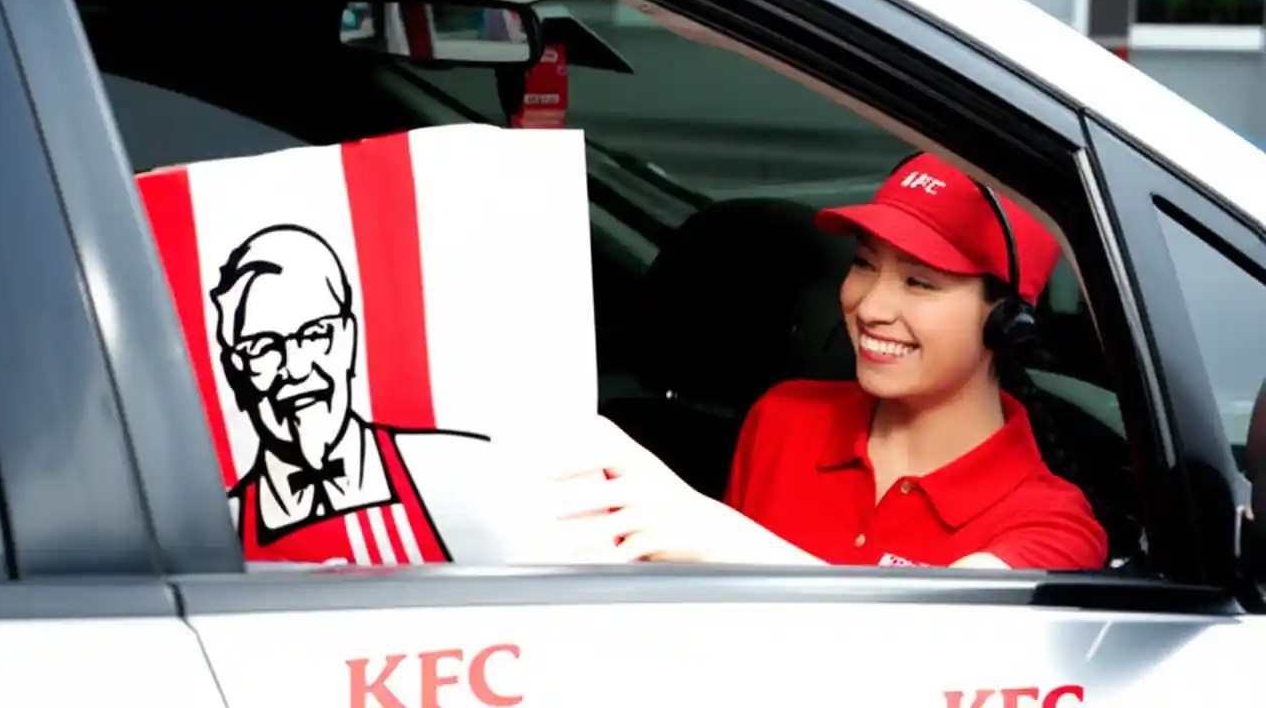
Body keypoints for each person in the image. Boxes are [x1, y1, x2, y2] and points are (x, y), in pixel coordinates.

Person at [550, 153, 1108, 570]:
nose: (870, 306)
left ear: (1007, 321)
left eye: (920, 282)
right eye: (864, 265)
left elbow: (935, 664)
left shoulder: (1049, 525)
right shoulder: (785, 418)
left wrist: (728, 544)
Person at [213, 224, 490, 566]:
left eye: (315, 334)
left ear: (348, 339)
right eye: (263, 347)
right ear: (236, 370)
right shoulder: (215, 531)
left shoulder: (458, 470)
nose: (297, 369)